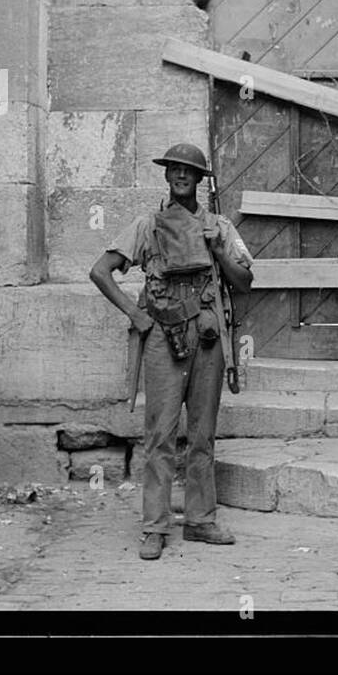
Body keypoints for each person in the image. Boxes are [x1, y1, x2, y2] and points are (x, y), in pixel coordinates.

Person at [89, 143, 254, 560]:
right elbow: (100, 271)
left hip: (208, 335)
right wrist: (136, 315)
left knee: (202, 433)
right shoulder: (148, 226)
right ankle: (154, 526)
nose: (181, 175)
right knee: (160, 433)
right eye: (175, 170)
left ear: (200, 179)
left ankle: (200, 520)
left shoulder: (219, 226)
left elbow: (245, 282)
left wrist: (217, 249)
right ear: (166, 176)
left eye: (189, 171)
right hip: (163, 337)